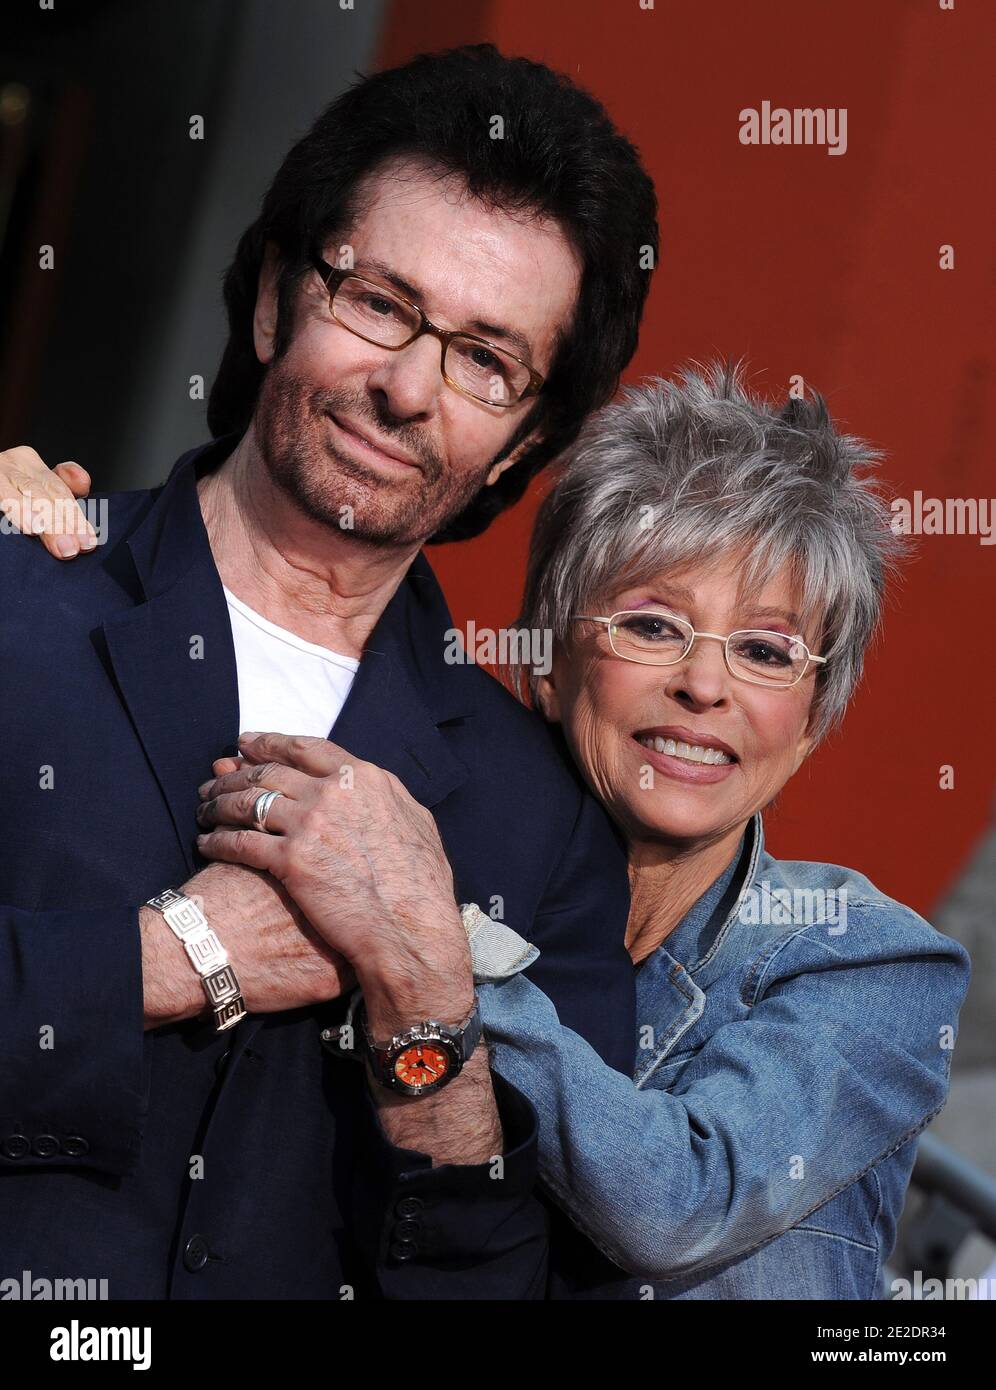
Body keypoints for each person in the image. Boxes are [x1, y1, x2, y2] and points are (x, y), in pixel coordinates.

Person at [7, 364, 972, 1300]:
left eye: (767, 652)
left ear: (810, 722)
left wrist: (428, 948)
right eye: (651, 626)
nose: (705, 686)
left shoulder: (868, 964)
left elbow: (678, 1205)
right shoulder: (397, 843)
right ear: (543, 665)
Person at [0, 44, 659, 1300]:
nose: (407, 387)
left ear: (525, 448)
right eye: (378, 302)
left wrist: (424, 1002)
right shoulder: (19, 598)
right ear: (271, 299)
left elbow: (534, 1282)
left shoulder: (543, 822)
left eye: (487, 361)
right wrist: (167, 959)